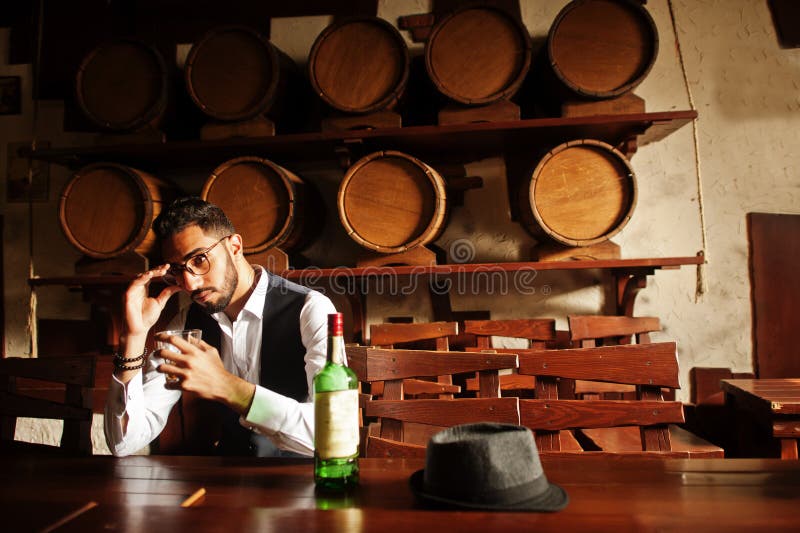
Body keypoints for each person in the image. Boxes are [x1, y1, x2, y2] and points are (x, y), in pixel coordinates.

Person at [104, 197, 336, 457]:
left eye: (200, 260)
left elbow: (331, 433)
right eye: (179, 270)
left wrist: (228, 387)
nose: (189, 284)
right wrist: (133, 338)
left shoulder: (310, 308)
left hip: (303, 485)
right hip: (227, 484)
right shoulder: (187, 322)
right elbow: (123, 443)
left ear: (235, 247)